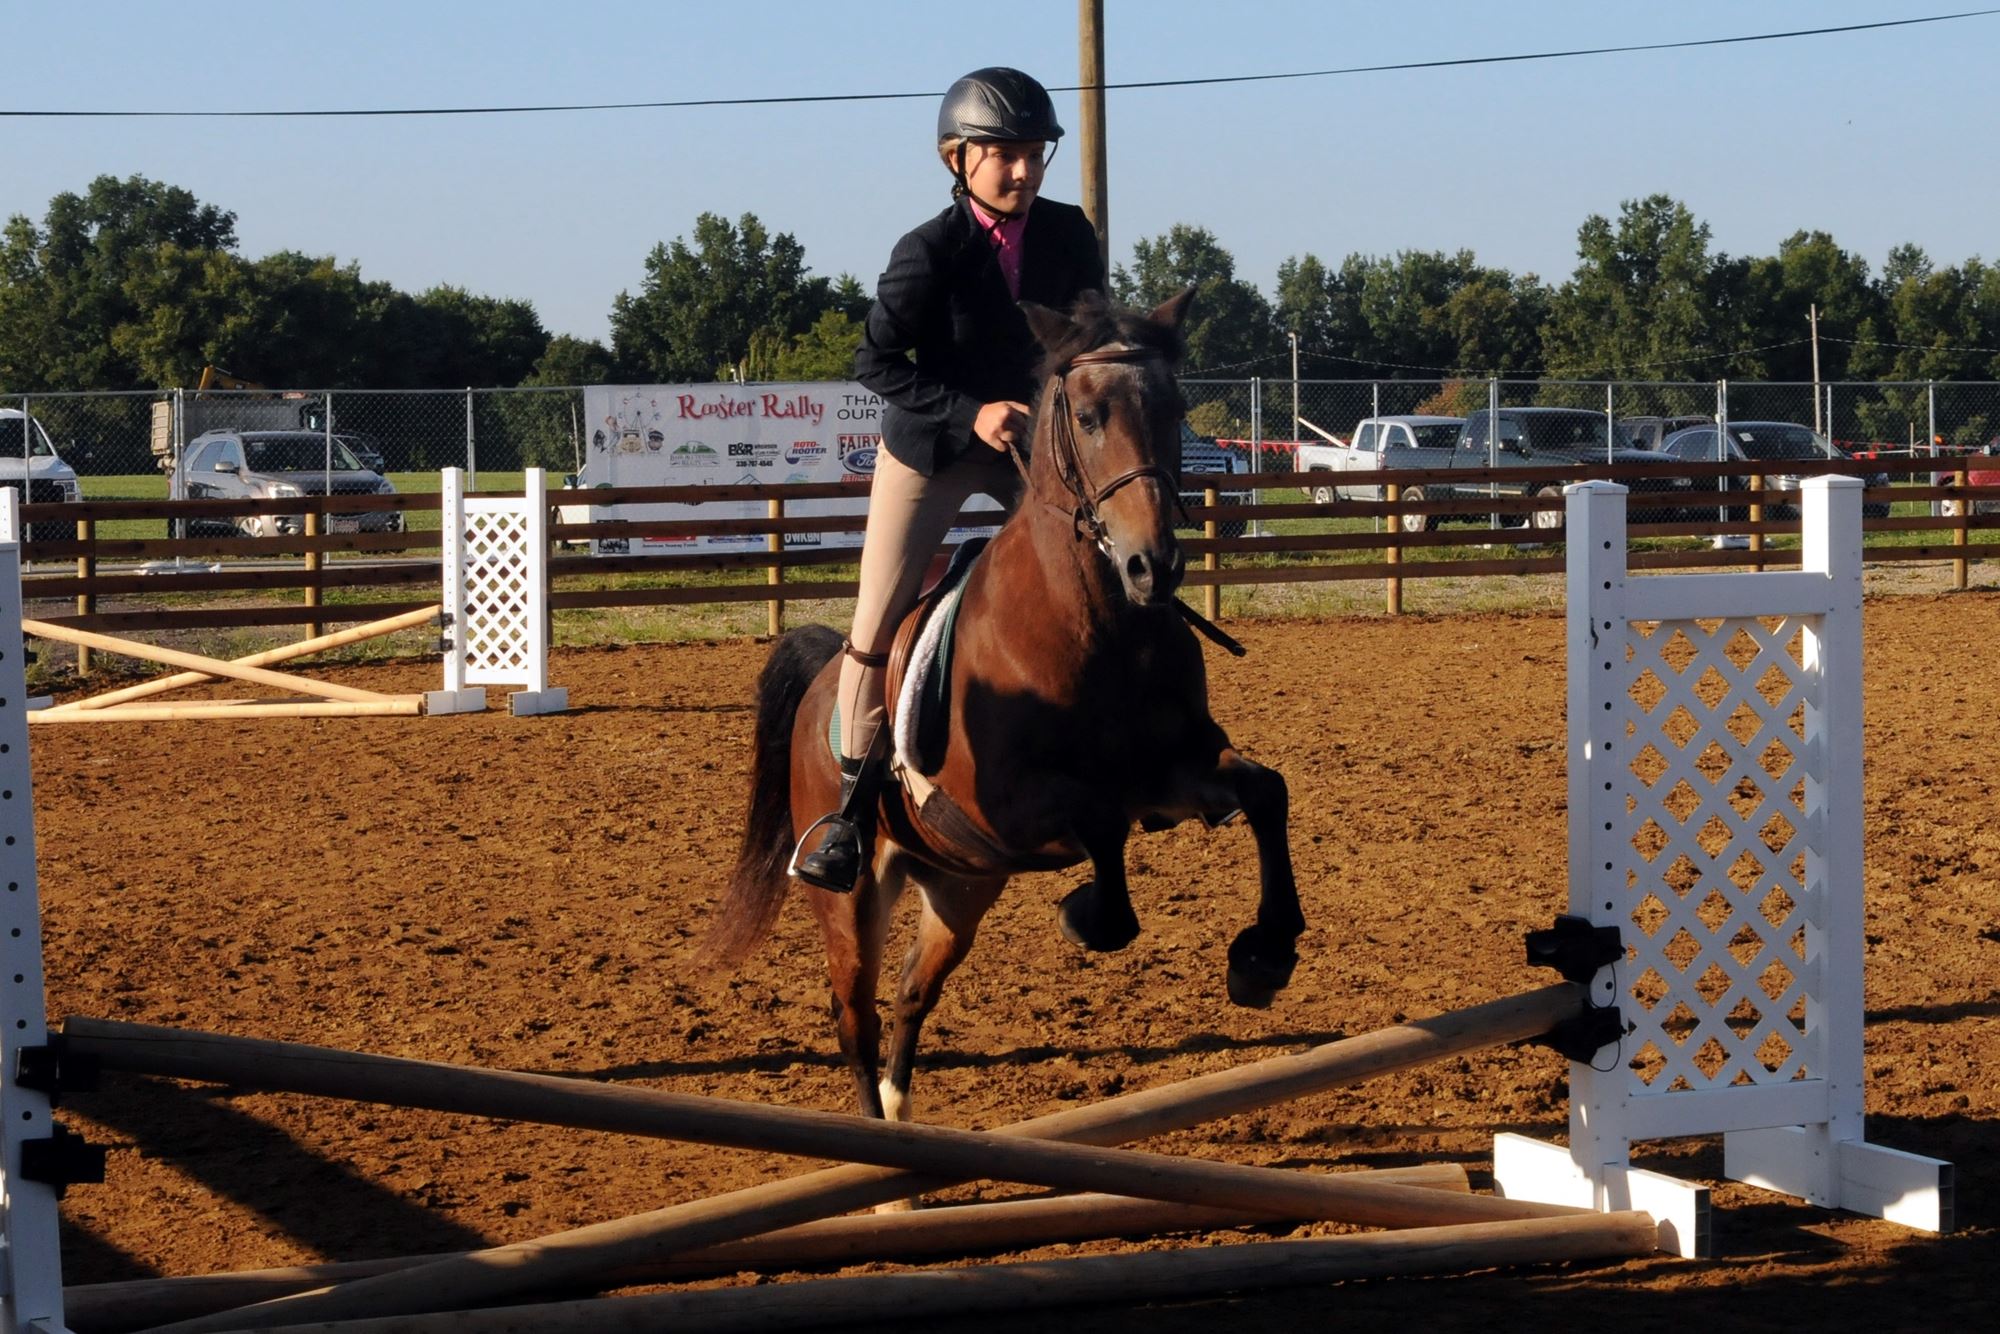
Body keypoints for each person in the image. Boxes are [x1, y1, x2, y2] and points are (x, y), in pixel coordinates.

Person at [791, 66, 1106, 893]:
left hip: (1026, 448)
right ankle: (848, 818)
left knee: (1095, 577)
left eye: (1036, 154)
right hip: (931, 447)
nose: (1025, 171)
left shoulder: (1071, 236)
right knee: (876, 618)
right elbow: (876, 363)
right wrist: (971, 412)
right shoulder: (926, 251)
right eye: (1004, 155)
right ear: (956, 159)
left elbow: (1088, 339)